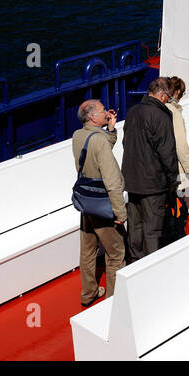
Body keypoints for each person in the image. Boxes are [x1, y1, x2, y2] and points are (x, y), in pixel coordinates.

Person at [71, 100, 124, 307]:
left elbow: (98, 146)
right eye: (103, 111)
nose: (107, 112)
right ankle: (113, 303)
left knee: (88, 251)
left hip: (86, 202)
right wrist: (120, 213)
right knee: (116, 254)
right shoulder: (99, 141)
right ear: (93, 117)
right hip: (103, 204)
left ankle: (88, 294)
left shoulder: (78, 136)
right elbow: (111, 182)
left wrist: (110, 129)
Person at [120, 77, 178, 261]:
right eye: (168, 97)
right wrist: (172, 182)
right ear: (162, 95)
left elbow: (126, 143)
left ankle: (134, 262)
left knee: (135, 227)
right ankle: (151, 268)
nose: (168, 101)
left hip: (132, 180)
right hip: (153, 183)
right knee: (152, 229)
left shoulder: (132, 111)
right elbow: (167, 153)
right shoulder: (161, 116)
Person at [162, 77, 189, 245]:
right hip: (176, 172)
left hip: (162, 172)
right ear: (178, 92)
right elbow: (181, 145)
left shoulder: (158, 109)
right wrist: (188, 169)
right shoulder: (174, 113)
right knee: (179, 209)